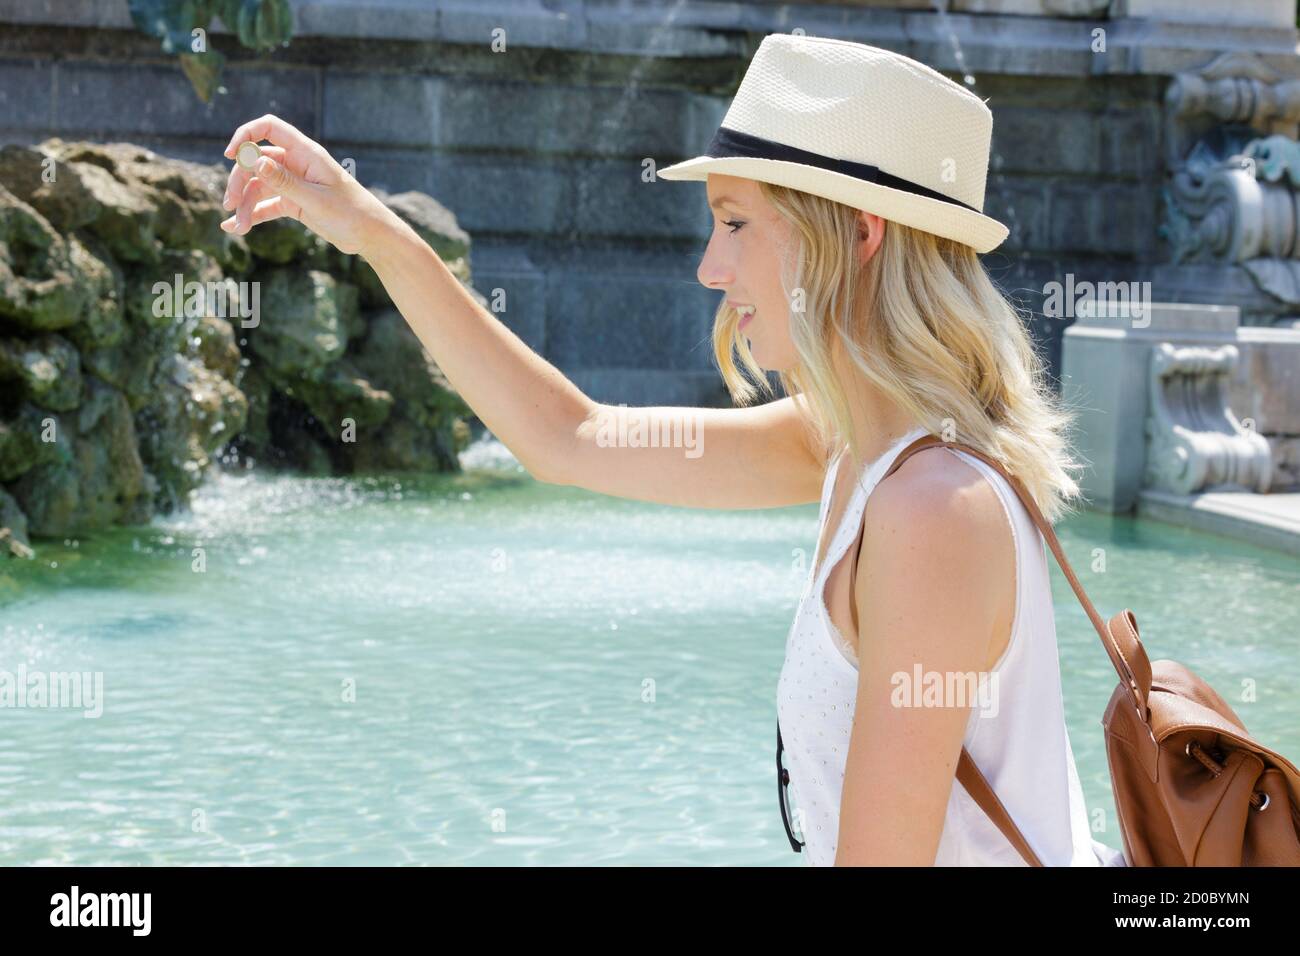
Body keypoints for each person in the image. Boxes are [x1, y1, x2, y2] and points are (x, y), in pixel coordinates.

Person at [218, 32, 1125, 866]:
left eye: (735, 222)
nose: (709, 267)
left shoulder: (932, 510)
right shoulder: (854, 446)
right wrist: (370, 230)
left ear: (856, 233)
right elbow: (571, 437)